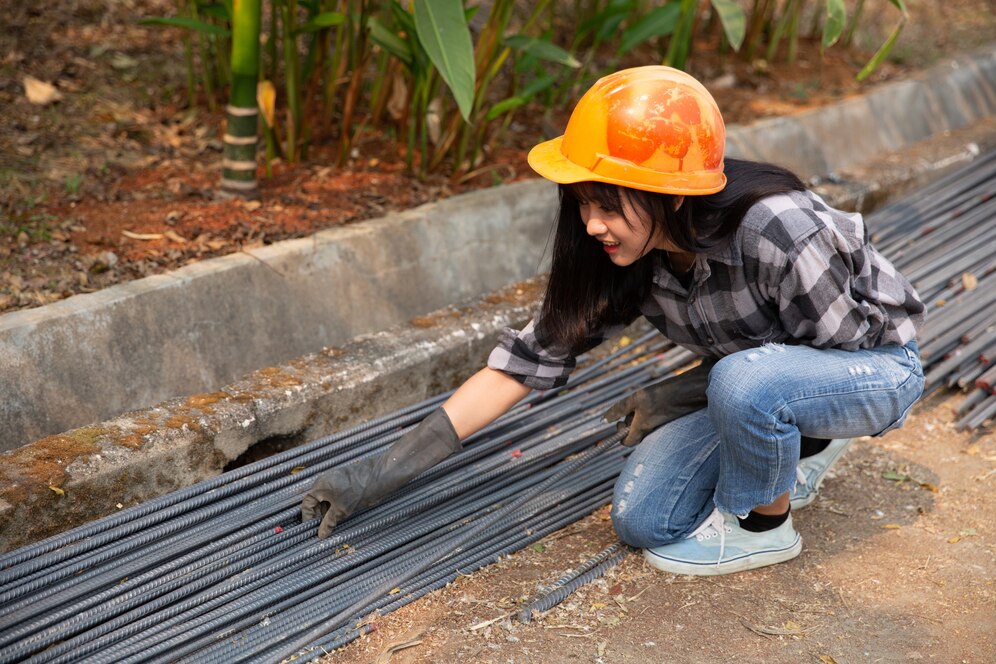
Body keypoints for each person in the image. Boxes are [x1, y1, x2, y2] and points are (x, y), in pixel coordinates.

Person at [301, 66, 925, 576]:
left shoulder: (777, 228)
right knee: (644, 519)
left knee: (745, 383)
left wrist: (719, 396)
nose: (592, 225)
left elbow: (840, 353)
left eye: (607, 204)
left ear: (673, 194)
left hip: (868, 368)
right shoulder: (628, 255)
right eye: (582, 205)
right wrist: (377, 474)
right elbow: (526, 361)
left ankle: (767, 525)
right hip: (757, 376)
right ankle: (774, 445)